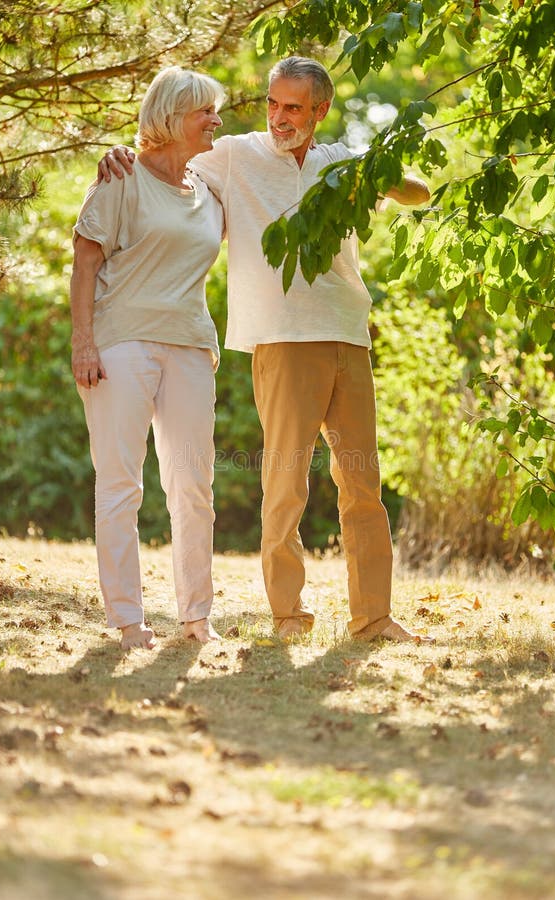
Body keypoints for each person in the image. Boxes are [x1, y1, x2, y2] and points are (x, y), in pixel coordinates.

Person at [100, 56, 433, 644]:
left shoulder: (341, 161)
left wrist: (377, 170)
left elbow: (418, 192)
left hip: (348, 332)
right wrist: (119, 153)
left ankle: (373, 617)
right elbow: (164, 152)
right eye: (273, 104)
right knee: (285, 485)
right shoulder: (235, 155)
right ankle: (288, 615)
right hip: (281, 339)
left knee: (362, 483)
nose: (279, 117)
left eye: (294, 108)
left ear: (321, 111)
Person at [71, 66, 226, 649]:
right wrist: (83, 343)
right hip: (122, 344)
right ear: (170, 116)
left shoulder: (210, 188)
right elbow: (85, 262)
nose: (216, 121)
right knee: (121, 484)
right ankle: (128, 620)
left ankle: (196, 617)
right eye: (204, 111)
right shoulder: (121, 177)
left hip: (190, 346)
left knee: (193, 484)